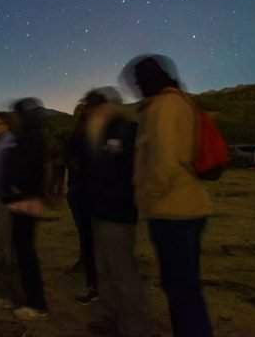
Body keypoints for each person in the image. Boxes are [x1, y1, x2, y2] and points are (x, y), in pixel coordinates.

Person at [121, 54, 214, 337]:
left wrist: (146, 198)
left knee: (181, 289)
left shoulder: (163, 107)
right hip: (188, 206)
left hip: (173, 210)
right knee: (185, 287)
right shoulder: (182, 102)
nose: (135, 86)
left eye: (137, 81)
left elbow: (164, 162)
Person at [77, 88, 151, 337]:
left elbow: (131, 173)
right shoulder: (97, 134)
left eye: (96, 107)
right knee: (104, 270)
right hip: (98, 211)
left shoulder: (126, 130)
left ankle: (135, 328)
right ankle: (108, 318)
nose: (93, 113)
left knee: (122, 272)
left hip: (117, 214)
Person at [1, 98, 49, 321]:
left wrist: (18, 191)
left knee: (26, 253)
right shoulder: (31, 137)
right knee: (22, 252)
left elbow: (28, 170)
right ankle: (28, 298)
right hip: (23, 200)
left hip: (25, 202)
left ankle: (36, 304)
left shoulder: (31, 139)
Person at [66, 102, 99, 304]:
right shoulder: (77, 137)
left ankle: (93, 283)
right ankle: (87, 266)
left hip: (87, 192)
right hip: (78, 191)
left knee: (90, 235)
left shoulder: (91, 137)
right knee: (85, 234)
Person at [0, 112, 22, 310]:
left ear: (8, 125)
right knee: (3, 246)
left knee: (7, 247)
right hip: (3, 199)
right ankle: (4, 292)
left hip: (9, 201)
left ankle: (11, 294)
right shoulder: (1, 143)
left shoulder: (10, 143)